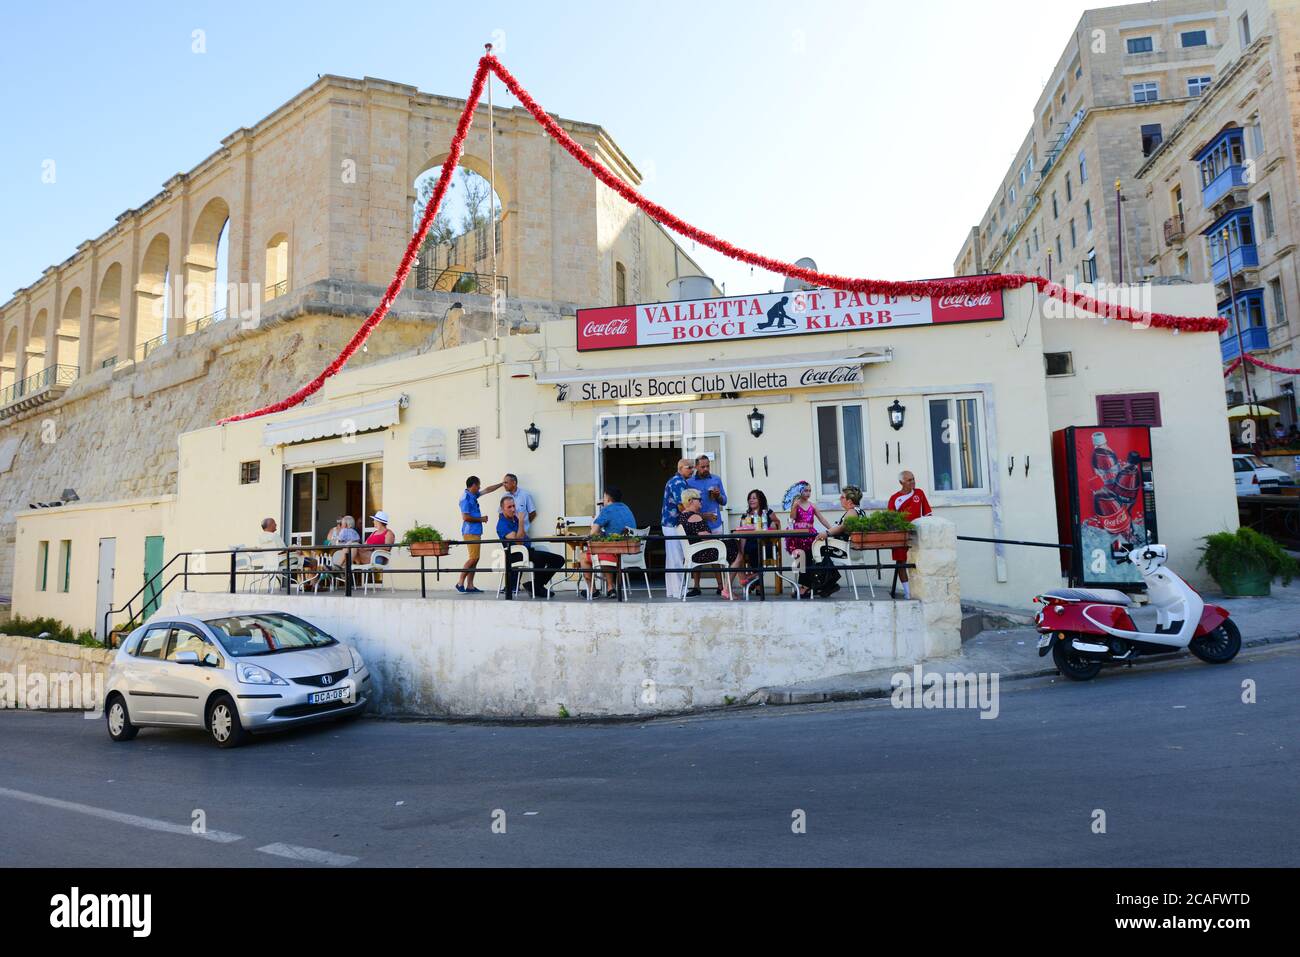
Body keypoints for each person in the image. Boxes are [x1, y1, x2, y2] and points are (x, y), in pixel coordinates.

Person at [496, 495, 564, 597]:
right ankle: (536, 587)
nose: (513, 509)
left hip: (527, 551)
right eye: (509, 507)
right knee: (539, 558)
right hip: (515, 555)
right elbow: (519, 541)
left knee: (559, 560)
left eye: (514, 506)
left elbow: (522, 536)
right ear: (502, 509)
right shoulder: (502, 524)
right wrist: (521, 522)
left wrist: (519, 522)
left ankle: (535, 586)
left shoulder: (514, 519)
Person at [680, 488, 739, 599]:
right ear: (691, 500)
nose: (701, 502)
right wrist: (717, 538)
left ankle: (740, 580)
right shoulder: (694, 517)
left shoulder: (683, 515)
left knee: (733, 545)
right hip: (702, 553)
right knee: (736, 547)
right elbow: (706, 537)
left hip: (695, 552)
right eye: (699, 499)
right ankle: (728, 588)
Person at [580, 488, 638, 598]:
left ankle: (594, 590)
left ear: (607, 499)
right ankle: (610, 588)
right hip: (631, 552)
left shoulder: (607, 510)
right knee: (605, 550)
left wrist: (598, 518)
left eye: (604, 497)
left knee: (584, 556)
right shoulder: (626, 508)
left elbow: (592, 533)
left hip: (616, 553)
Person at [810, 485, 867, 598]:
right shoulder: (859, 511)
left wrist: (826, 533)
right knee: (821, 550)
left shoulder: (852, 512)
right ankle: (827, 583)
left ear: (849, 501)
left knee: (815, 548)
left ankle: (825, 583)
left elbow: (843, 527)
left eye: (842, 497)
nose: (840, 499)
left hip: (846, 550)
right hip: (851, 549)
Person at [783, 481, 834, 600]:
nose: (808, 493)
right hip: (797, 536)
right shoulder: (796, 504)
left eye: (810, 490)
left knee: (811, 558)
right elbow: (792, 519)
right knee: (801, 557)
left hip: (810, 536)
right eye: (805, 490)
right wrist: (794, 507)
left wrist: (831, 530)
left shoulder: (813, 506)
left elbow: (822, 519)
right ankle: (804, 586)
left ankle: (806, 586)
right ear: (800, 491)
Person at [457, 474, 506, 594]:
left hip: (475, 531)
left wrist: (501, 484)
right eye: (478, 486)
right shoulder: (465, 498)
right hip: (470, 532)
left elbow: (487, 490)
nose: (479, 488)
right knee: (473, 558)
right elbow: (465, 517)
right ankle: (460, 582)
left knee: (475, 559)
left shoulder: (472, 495)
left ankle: (470, 585)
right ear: (473, 485)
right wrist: (481, 519)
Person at [686, 454, 728, 591]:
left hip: (715, 523)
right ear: (697, 467)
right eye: (702, 466)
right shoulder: (690, 482)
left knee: (717, 554)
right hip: (698, 523)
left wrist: (718, 496)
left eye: (707, 466)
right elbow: (687, 505)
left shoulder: (716, 479)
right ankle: (696, 586)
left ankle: (720, 586)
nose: (705, 469)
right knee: (696, 554)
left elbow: (724, 501)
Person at [888, 471, 932, 599]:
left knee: (919, 561)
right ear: (901, 482)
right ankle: (908, 592)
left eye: (913, 479)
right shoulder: (895, 498)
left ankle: (921, 590)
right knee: (901, 562)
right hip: (901, 534)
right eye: (909, 480)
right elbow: (891, 519)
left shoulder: (919, 493)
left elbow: (928, 513)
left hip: (917, 534)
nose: (912, 482)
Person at [733, 489, 780, 594]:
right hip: (751, 544)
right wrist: (741, 550)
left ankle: (754, 581)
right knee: (748, 549)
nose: (751, 500)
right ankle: (756, 582)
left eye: (754, 498)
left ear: (760, 500)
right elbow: (742, 532)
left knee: (757, 549)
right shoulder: (746, 516)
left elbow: (777, 524)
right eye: (750, 498)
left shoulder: (767, 512)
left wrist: (774, 524)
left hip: (767, 543)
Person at [660, 458, 695, 599]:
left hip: (670, 524)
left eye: (693, 467)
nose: (692, 469)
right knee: (676, 557)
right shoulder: (678, 482)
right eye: (689, 467)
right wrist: (697, 515)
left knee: (673, 557)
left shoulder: (679, 481)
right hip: (673, 524)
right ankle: (679, 590)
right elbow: (683, 505)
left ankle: (673, 590)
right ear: (680, 468)